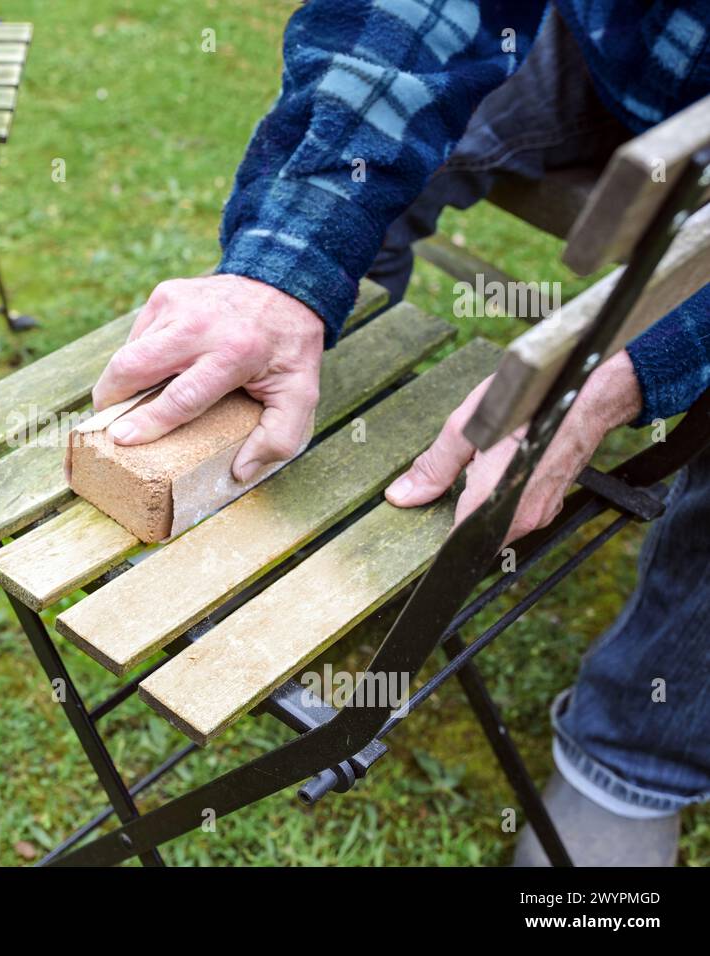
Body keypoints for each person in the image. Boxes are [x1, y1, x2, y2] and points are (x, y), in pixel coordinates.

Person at [91, 1, 710, 866]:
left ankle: (636, 758)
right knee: (363, 176)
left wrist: (620, 374)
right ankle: (316, 521)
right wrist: (286, 269)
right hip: (613, 42)